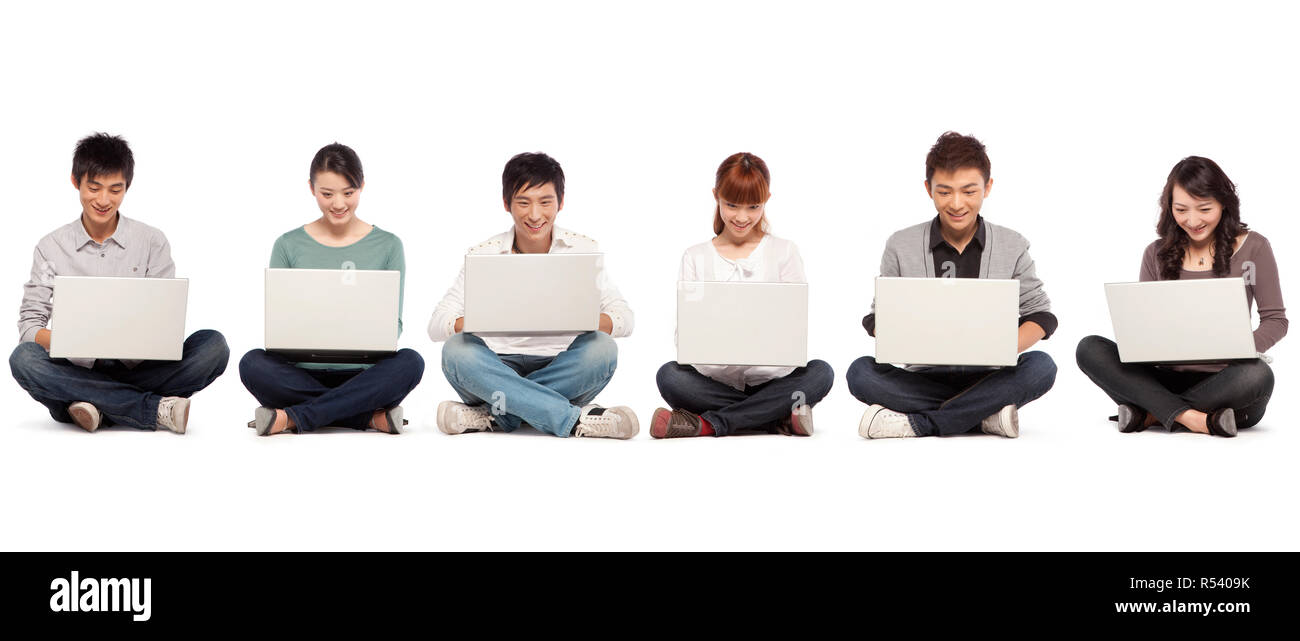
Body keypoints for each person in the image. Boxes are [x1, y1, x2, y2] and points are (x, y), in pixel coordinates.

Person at [9, 132, 229, 433]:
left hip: (138, 366)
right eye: (94, 188)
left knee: (213, 346)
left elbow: (165, 317)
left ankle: (90, 404)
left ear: (127, 187)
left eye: (115, 189)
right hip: (77, 365)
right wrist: (72, 341)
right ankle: (152, 409)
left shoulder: (151, 241)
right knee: (24, 359)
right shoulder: (50, 247)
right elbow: (30, 326)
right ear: (76, 182)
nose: (103, 200)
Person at [847, 132, 1058, 439]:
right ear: (928, 189)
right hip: (922, 378)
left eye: (969, 191)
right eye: (944, 192)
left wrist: (999, 348)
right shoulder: (900, 244)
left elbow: (1040, 315)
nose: (957, 204)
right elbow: (878, 318)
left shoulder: (1012, 245)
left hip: (990, 377)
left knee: (1042, 367)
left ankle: (920, 423)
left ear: (987, 187)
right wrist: (911, 335)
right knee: (860, 372)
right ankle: (985, 416)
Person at [430, 152, 638, 439]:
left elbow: (624, 319)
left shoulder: (583, 250)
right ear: (506, 204)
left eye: (545, 202)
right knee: (456, 351)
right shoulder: (483, 255)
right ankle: (572, 420)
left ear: (561, 202)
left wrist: (580, 317)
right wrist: (478, 320)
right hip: (497, 363)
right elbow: (437, 323)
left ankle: (495, 414)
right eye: (523, 202)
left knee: (602, 349)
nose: (535, 215)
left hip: (560, 363)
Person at [1075, 157, 1284, 437]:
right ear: (1168, 208)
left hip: (1226, 380)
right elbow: (1144, 326)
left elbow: (1275, 320)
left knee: (1258, 374)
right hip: (1164, 378)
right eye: (1181, 209)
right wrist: (1139, 341)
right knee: (1089, 347)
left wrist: (1240, 346)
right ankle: (1197, 419)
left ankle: (1150, 414)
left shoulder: (1254, 247)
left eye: (1205, 209)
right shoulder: (1155, 253)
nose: (1193, 220)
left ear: (1224, 203)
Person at [239, 143, 424, 435]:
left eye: (348, 193)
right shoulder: (287, 245)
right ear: (311, 189)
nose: (338, 204)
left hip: (364, 374)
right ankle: (364, 418)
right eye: (327, 194)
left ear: (362, 186)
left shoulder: (389, 245)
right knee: (251, 364)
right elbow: (280, 323)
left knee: (411, 362)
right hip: (299, 372)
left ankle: (291, 418)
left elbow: (394, 326)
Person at [650, 152, 833, 438]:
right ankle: (776, 418)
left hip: (773, 381)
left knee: (822, 373)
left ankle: (710, 424)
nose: (742, 217)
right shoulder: (695, 256)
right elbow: (684, 338)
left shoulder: (784, 252)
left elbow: (794, 332)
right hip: (715, 384)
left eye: (753, 206)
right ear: (716, 196)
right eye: (732, 204)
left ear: (767, 200)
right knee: (670, 377)